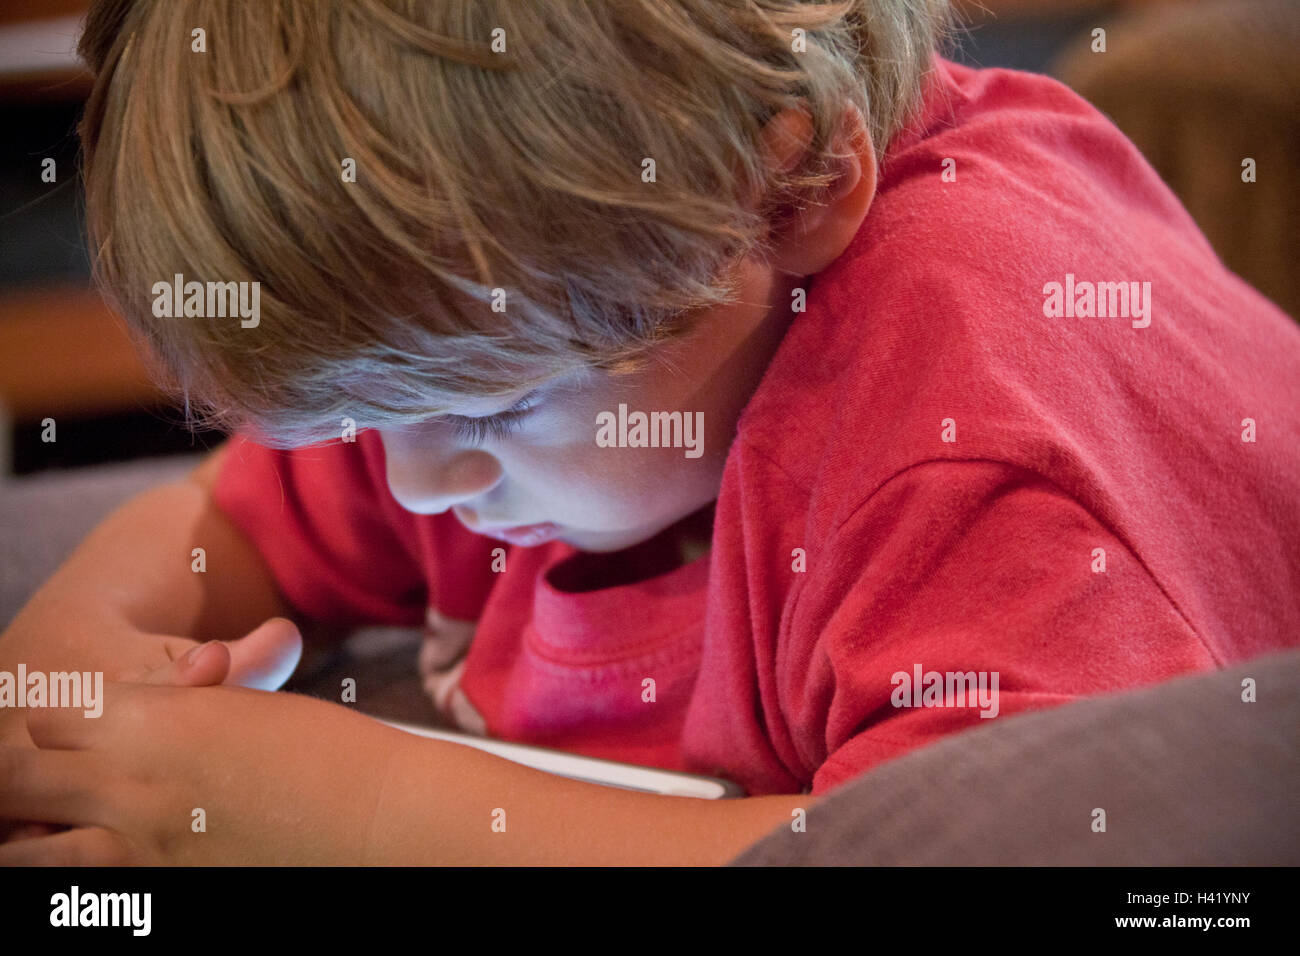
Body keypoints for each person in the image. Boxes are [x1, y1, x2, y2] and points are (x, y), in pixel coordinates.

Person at [1, 0, 1296, 865]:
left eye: (488, 411)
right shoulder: (509, 302)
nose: (411, 479)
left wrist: (350, 811)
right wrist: (69, 669)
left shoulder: (969, 454)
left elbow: (974, 845)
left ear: (790, 189)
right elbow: (224, 519)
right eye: (358, 417)